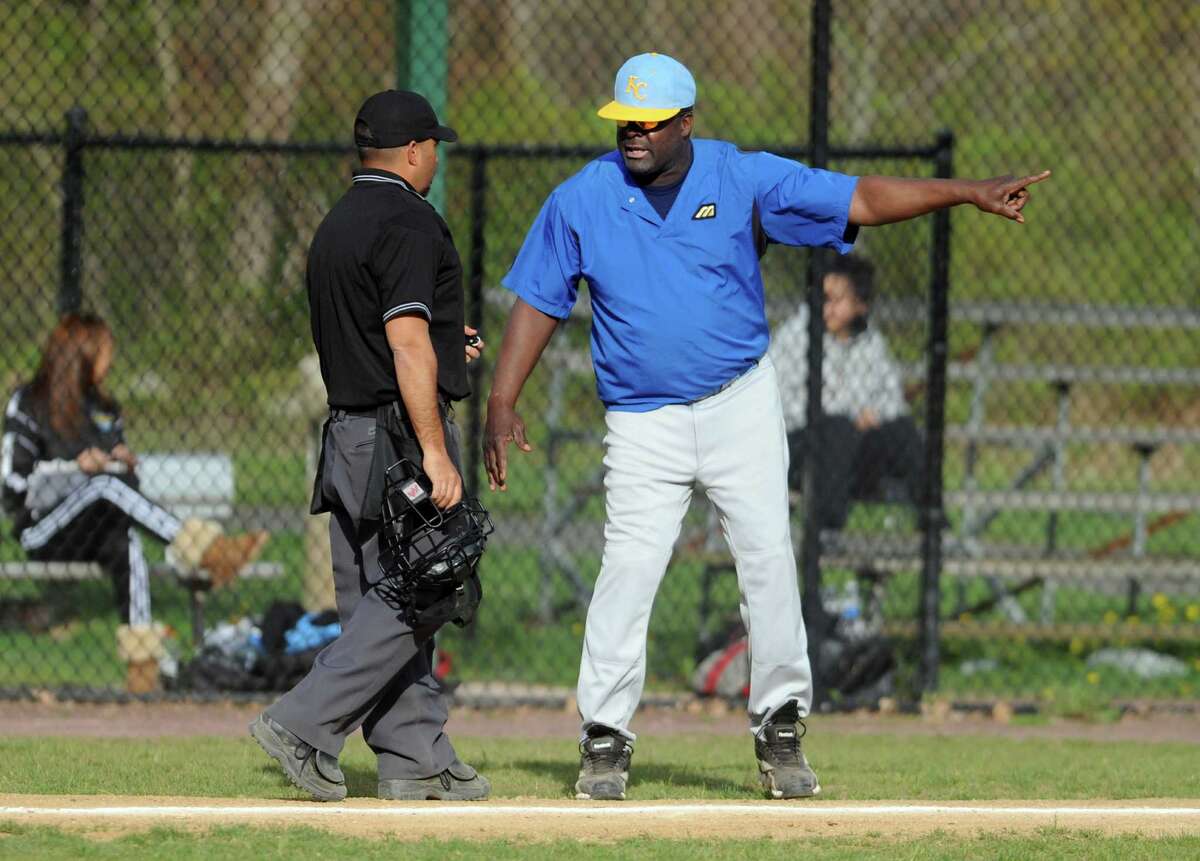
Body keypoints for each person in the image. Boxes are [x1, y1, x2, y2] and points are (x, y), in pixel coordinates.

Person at [483, 52, 1049, 801]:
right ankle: (604, 737)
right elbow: (539, 298)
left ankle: (780, 726)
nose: (634, 133)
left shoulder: (741, 179)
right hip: (642, 419)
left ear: (687, 121)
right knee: (629, 570)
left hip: (738, 404)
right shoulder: (582, 198)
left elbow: (860, 197)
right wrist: (502, 399)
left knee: (768, 562)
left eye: (650, 121)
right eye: (625, 121)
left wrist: (966, 192)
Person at [250, 90, 489, 804]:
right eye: (433, 145)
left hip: (347, 434)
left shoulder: (338, 223)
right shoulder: (409, 221)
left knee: (376, 598)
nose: (436, 157)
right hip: (398, 438)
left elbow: (375, 330)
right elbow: (405, 345)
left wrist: (446, 340)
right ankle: (304, 721)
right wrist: (435, 451)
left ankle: (414, 754)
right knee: (429, 583)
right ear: (414, 151)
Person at [1, 313, 269, 660]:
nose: (110, 362)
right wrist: (74, 469)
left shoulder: (105, 409)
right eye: (105, 352)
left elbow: (125, 489)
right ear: (83, 355)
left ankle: (142, 665)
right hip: (43, 529)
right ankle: (207, 550)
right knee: (103, 484)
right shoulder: (28, 402)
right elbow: (13, 483)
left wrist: (121, 463)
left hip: (95, 527)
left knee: (126, 542)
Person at [770, 254, 925, 531]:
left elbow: (893, 400)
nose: (826, 307)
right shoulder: (796, 336)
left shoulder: (871, 342)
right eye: (823, 297)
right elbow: (783, 404)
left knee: (902, 430)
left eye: (836, 300)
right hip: (801, 445)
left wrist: (874, 415)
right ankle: (826, 531)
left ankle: (932, 521)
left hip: (855, 448)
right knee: (837, 428)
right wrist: (848, 416)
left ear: (860, 305)